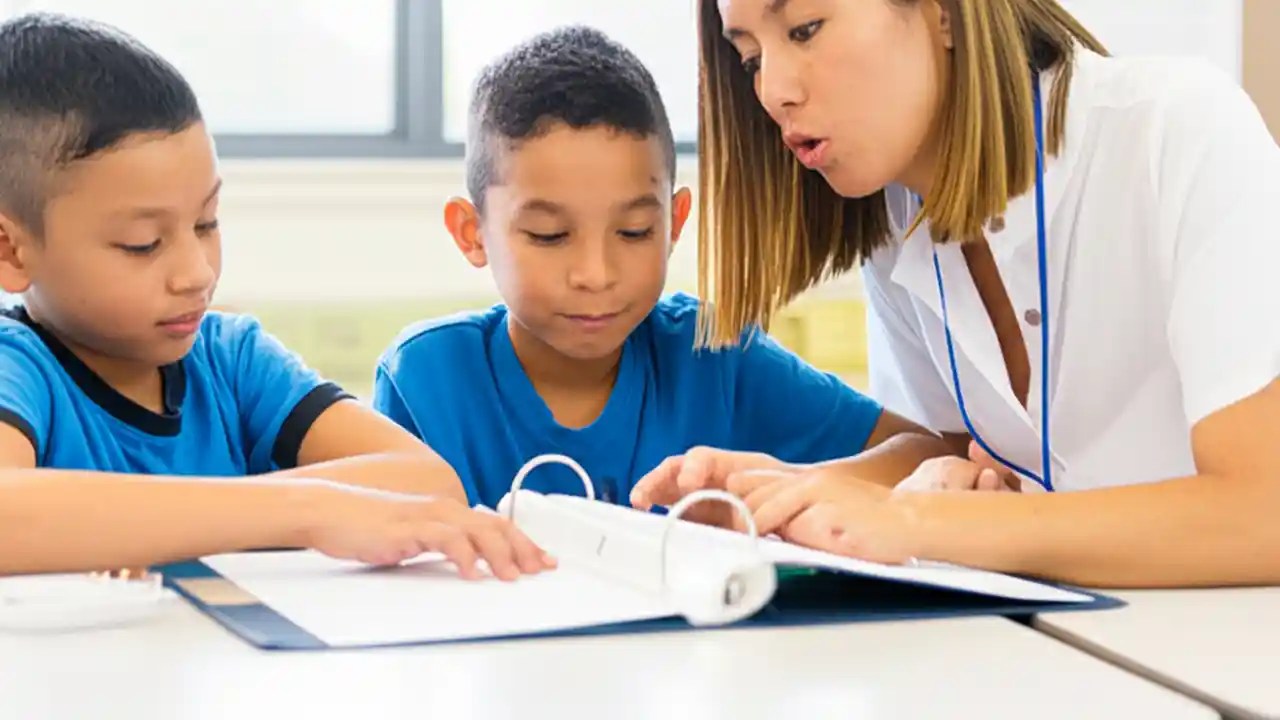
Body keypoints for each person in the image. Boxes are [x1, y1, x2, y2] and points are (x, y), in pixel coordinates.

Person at [633, 0, 1280, 587]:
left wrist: (911, 519)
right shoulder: (891, 212)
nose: (772, 91)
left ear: (943, 12)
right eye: (750, 57)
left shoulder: (1178, 131)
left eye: (805, 29)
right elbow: (958, 449)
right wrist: (794, 491)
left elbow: (1264, 513)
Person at [0, 13, 551, 579]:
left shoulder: (230, 360)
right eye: (142, 244)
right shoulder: (17, 365)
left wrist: (254, 516)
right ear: (11, 251)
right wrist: (303, 512)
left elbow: (427, 482)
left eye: (207, 223)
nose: (196, 273)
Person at [374, 26, 951, 517]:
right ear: (472, 233)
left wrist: (784, 488)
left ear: (675, 222)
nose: (596, 275)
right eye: (550, 236)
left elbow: (928, 454)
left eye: (633, 232)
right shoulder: (425, 380)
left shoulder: (717, 357)